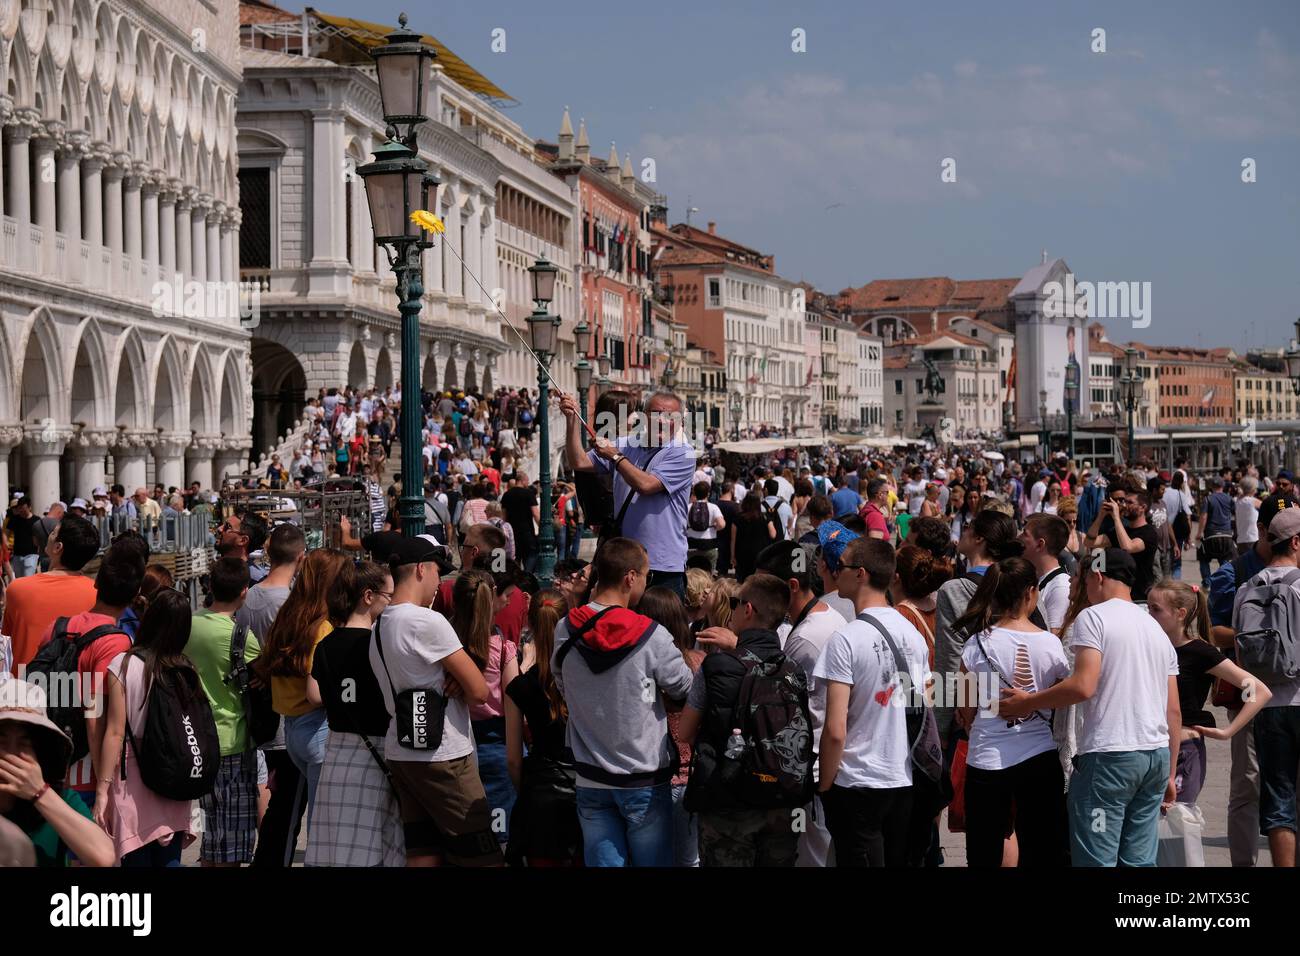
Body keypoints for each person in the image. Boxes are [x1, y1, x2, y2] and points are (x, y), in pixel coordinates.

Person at [1000, 549, 1179, 867]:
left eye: (1082, 577)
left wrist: (1027, 702)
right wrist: (1170, 770)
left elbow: (1083, 685)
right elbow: (1173, 711)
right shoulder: (1155, 628)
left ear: (1098, 575)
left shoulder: (1093, 617)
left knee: (1097, 857)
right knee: (1138, 859)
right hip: (1155, 758)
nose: (1078, 585)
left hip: (1110, 761)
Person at [552, 537, 693, 866]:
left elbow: (562, 683)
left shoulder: (565, 628)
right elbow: (685, 686)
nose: (646, 583)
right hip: (643, 774)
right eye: (646, 576)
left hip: (590, 774)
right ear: (631, 577)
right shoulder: (652, 634)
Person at [369, 537, 502, 867]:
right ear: (420, 570)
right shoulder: (426, 621)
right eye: (436, 573)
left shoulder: (379, 624)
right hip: (444, 754)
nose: (438, 584)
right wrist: (459, 681)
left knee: (422, 849)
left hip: (402, 751)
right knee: (482, 853)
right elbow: (479, 691)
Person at [816, 537, 931, 867]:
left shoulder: (846, 640)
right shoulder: (913, 635)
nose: (836, 572)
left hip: (857, 782)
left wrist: (825, 787)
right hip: (902, 779)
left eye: (842, 566)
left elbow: (835, 729)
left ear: (860, 574)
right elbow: (920, 704)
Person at [675, 573, 802, 866]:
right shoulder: (794, 668)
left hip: (727, 799)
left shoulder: (716, 666)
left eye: (736, 602)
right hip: (781, 797)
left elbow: (684, 731)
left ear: (748, 610)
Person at [952, 557, 1070, 867]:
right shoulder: (1050, 644)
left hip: (987, 757)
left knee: (983, 851)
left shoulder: (975, 644)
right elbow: (1059, 699)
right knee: (1042, 849)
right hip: (1039, 758)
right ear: (1032, 592)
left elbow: (965, 707)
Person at [305, 560, 404, 867]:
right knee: (378, 844)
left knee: (339, 847)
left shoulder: (324, 645)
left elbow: (314, 696)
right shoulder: (380, 644)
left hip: (337, 751)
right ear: (368, 596)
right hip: (376, 752)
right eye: (388, 596)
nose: (391, 602)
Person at [755, 541, 846, 866]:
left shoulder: (805, 640)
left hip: (815, 774)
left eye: (764, 589)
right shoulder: (827, 617)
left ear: (792, 586)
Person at [93, 589, 200, 866]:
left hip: (134, 778)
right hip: (174, 775)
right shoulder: (186, 668)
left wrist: (102, 791)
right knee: (170, 860)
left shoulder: (124, 664)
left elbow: (115, 732)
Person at [561, 389, 697, 598]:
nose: (661, 421)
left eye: (670, 416)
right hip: (626, 562)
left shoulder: (683, 452)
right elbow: (578, 462)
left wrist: (615, 456)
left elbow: (647, 485)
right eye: (655, 414)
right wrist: (572, 421)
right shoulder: (628, 444)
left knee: (663, 629)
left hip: (663, 565)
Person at [1147, 580, 1270, 808]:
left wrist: (1227, 732)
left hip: (1184, 752)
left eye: (1156, 609)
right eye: (1148, 608)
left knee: (1176, 830)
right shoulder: (1147, 645)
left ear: (1180, 613)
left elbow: (1258, 690)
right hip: (1148, 751)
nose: (1149, 614)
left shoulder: (1200, 652)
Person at [257, 548, 349, 831]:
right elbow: (315, 693)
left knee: (317, 820)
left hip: (292, 729)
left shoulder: (288, 617)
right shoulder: (322, 628)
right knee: (325, 826)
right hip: (317, 728)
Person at [1232, 508, 1300, 867]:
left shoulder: (1246, 589)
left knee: (1278, 796)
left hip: (1267, 707)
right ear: (1296, 541)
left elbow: (1242, 655)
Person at [237, 524, 307, 868]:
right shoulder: (293, 605)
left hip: (256, 713)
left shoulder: (247, 596)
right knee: (286, 811)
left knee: (275, 805)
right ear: (301, 556)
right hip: (287, 719)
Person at [186, 557, 260, 867]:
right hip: (233, 742)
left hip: (195, 743)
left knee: (210, 837)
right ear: (245, 592)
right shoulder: (243, 638)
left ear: (210, 587)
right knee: (231, 844)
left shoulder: (187, 625)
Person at [0, 678, 115, 867]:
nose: (11, 752)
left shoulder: (61, 798)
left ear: (40, 751)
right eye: (1, 740)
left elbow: (104, 857)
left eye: (24, 743)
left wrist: (40, 792)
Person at [503, 590, 581, 866]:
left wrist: (526, 788)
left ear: (531, 625)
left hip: (540, 793)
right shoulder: (585, 677)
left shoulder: (519, 687)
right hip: (585, 789)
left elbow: (513, 759)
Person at [636, 585, 705, 867]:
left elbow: (645, 711)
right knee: (690, 859)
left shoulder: (643, 671)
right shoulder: (701, 663)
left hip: (658, 776)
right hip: (695, 777)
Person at [449, 569, 519, 843]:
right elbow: (512, 699)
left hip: (457, 741)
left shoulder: (447, 644)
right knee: (499, 830)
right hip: (497, 742)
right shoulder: (502, 648)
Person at [3, 514, 100, 674]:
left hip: (24, 688)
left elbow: (6, 642)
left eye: (53, 533)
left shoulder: (19, 588)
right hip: (74, 689)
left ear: (58, 547)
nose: (49, 536)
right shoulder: (97, 593)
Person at [1021, 514, 1073, 632]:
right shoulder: (1036, 577)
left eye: (1025, 534)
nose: (1019, 537)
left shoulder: (1060, 587)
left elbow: (1053, 638)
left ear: (1040, 544)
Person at [730, 491, 778, 582]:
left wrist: (732, 556)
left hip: (742, 554)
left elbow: (733, 539)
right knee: (758, 581)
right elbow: (773, 535)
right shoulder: (764, 517)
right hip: (760, 554)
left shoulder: (737, 518)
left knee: (742, 581)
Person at [1198, 476, 1237, 583]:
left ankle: (1207, 582)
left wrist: (1200, 532)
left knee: (1203, 558)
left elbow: (1204, 516)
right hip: (1226, 535)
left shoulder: (1208, 499)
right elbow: (1236, 514)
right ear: (1223, 486)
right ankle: (1224, 581)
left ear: (1211, 486)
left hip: (1211, 535)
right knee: (1224, 559)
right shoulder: (1229, 499)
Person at [500, 473, 540, 572]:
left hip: (512, 531)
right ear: (522, 480)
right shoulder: (529, 493)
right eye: (527, 481)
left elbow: (503, 516)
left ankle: (517, 578)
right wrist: (542, 527)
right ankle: (527, 574)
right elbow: (535, 514)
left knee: (516, 556)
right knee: (532, 553)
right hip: (527, 530)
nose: (528, 483)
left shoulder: (507, 494)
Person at [685, 480, 726, 573]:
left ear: (694, 493)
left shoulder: (688, 507)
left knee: (691, 573)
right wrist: (715, 527)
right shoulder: (713, 507)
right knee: (709, 573)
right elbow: (722, 524)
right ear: (708, 494)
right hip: (709, 545)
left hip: (691, 545)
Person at [3, 498, 40, 578]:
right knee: (19, 579)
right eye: (20, 509)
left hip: (31, 554)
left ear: (29, 507)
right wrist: (6, 543)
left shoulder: (36, 520)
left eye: (24, 509)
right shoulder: (14, 519)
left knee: (27, 578)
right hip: (17, 555)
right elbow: (6, 533)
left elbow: (39, 537)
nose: (21, 511)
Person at [1236, 476, 1261, 556]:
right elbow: (1267, 506)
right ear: (1252, 489)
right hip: (1253, 538)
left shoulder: (1238, 501)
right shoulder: (1252, 501)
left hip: (1241, 539)